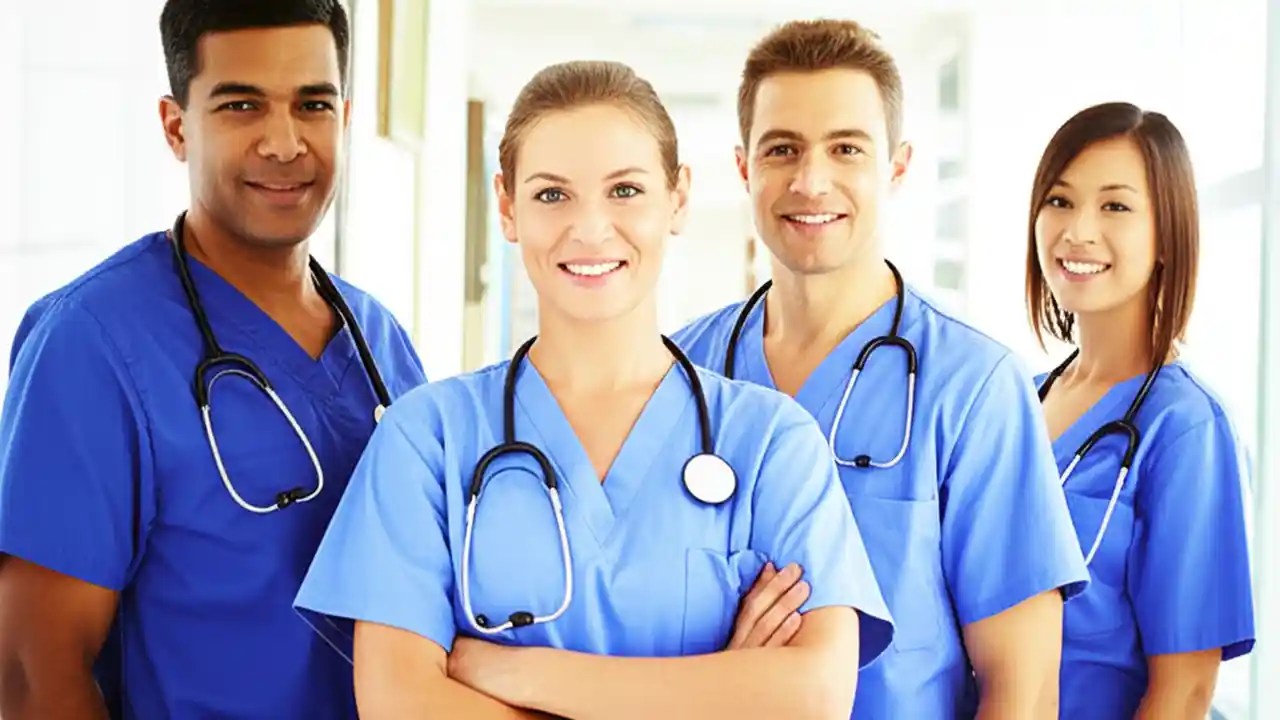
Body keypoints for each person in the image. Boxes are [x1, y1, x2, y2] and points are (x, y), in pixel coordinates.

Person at [292, 59, 894, 719]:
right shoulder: (426, 437)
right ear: (506, 206)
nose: (590, 229)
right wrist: (721, 692)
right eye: (552, 194)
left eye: (626, 190)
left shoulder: (773, 442)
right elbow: (400, 703)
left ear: (679, 198)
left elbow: (814, 698)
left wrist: (513, 670)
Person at [0, 2, 426, 718]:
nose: (285, 142)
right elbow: (30, 673)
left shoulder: (378, 339)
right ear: (176, 126)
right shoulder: (92, 342)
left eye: (312, 105)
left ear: (344, 119)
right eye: (241, 106)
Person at [672, 19, 1090, 718]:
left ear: (895, 167)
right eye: (783, 149)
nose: (811, 180)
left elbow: (1021, 691)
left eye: (846, 149)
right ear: (745, 166)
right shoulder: (679, 373)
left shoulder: (973, 389)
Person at [1027, 102, 1255, 719]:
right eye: (1060, 200)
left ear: (1166, 235)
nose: (1078, 231)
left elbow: (1183, 693)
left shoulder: (1186, 428)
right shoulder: (1018, 400)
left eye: (1116, 206)